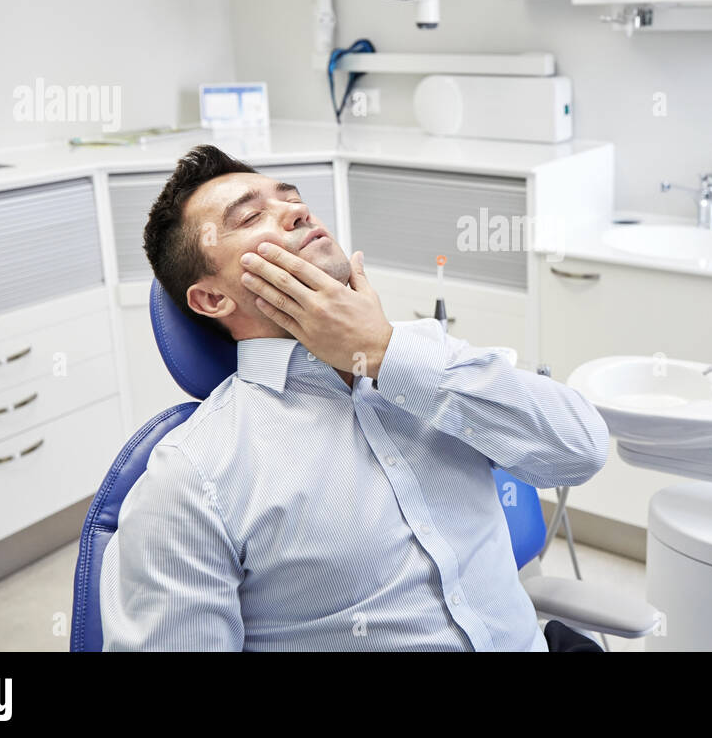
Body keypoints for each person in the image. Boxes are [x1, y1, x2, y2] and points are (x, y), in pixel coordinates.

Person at [99, 145, 610, 651]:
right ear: (213, 298)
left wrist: (384, 351)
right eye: (253, 216)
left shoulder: (427, 359)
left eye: (292, 198)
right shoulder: (193, 477)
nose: (296, 211)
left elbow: (582, 449)